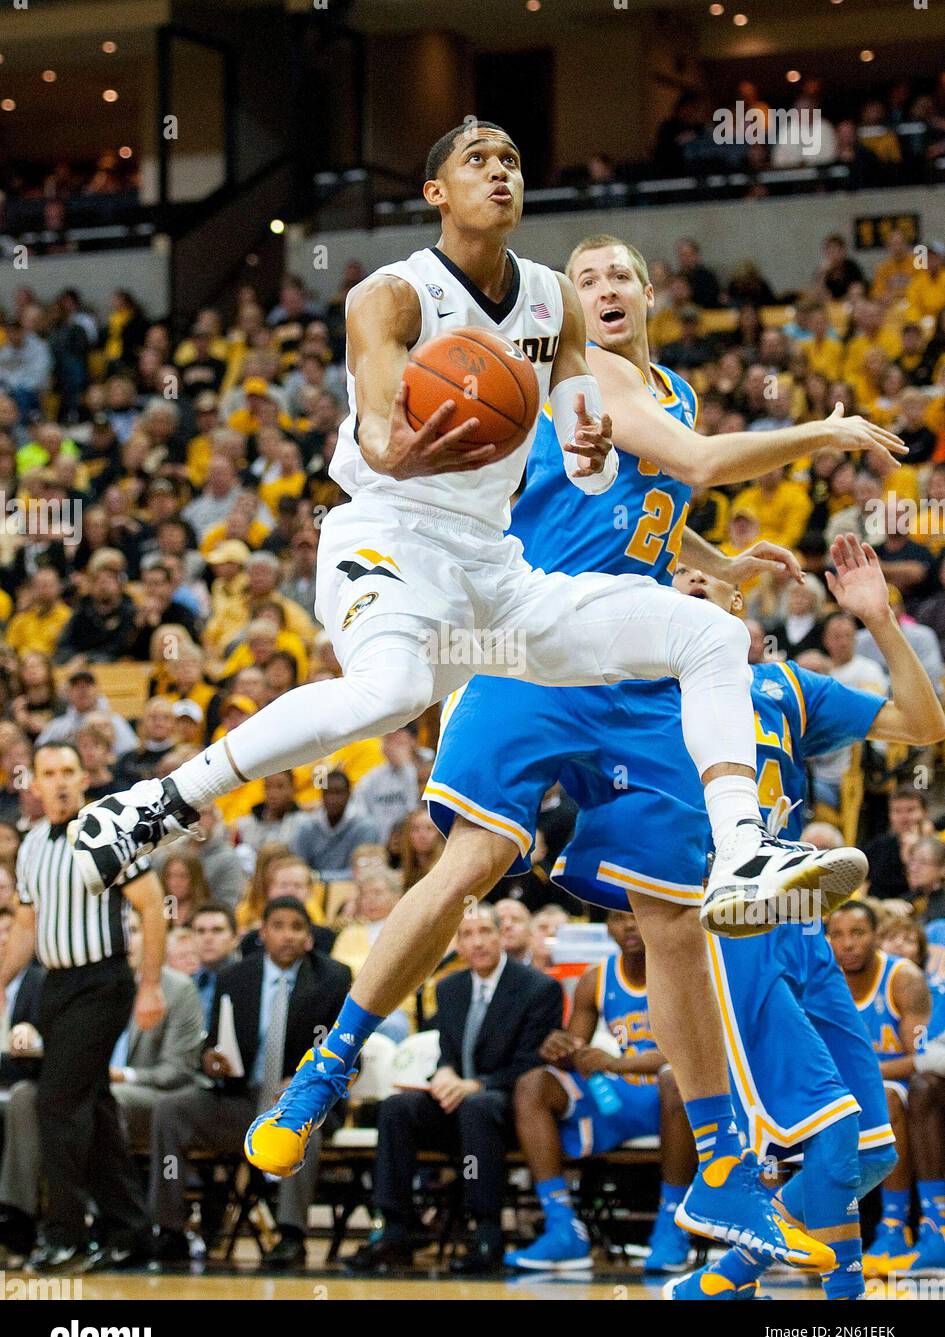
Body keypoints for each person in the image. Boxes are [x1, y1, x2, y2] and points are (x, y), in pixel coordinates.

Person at [71, 129, 893, 1202]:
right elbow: (373, 388)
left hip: (495, 571)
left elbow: (591, 441)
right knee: (395, 690)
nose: (501, 170)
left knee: (706, 635)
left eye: (512, 157)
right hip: (384, 533)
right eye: (478, 159)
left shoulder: (549, 303)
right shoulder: (392, 293)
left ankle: (742, 854)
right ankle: (163, 800)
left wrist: (603, 459)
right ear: (435, 192)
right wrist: (386, 431)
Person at [421, 235, 901, 1270]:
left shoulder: (672, 389)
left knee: (704, 961)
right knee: (493, 874)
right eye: (582, 277)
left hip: (667, 728)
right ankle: (750, 1231)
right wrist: (821, 428)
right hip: (550, 641)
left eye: (616, 276)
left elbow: (658, 507)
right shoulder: (580, 381)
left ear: (647, 294)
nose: (600, 290)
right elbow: (695, 466)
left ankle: (758, 1217)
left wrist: (721, 558)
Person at [664, 534, 942, 1298]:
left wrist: (880, 620)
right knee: (831, 1135)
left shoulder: (783, 686)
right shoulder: (641, 691)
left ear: (735, 601)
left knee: (870, 1151)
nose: (686, 583)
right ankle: (809, 1302)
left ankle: (736, 1269)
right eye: (672, 578)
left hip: (800, 912)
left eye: (699, 575)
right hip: (726, 921)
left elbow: (924, 727)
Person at [0, 744, 166, 1273]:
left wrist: (150, 986)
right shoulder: (29, 846)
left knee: (55, 1104)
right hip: (56, 986)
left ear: (83, 778)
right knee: (91, 1110)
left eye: (69, 772)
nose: (60, 782)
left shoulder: (105, 831)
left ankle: (65, 1232)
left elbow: (153, 908)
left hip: (103, 982)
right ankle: (129, 1228)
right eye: (49, 774)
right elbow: (26, 926)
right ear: (35, 784)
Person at [347, 905, 562, 1273]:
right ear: (457, 944)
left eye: (484, 932)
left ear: (501, 935)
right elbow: (447, 1052)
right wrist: (445, 1075)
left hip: (513, 1110)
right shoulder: (449, 988)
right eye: (466, 935)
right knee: (398, 1108)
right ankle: (393, 1232)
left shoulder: (539, 988)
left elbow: (533, 1065)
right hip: (462, 1103)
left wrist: (474, 1084)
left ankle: (486, 1233)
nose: (476, 942)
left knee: (478, 1105)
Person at [148, 896, 350, 1270]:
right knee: (170, 1110)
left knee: (300, 1123)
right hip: (241, 1098)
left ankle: (291, 1236)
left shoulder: (333, 979)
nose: (287, 936)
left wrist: (305, 1082)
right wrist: (212, 1061)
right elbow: (213, 1044)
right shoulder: (235, 978)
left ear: (309, 937)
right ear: (263, 934)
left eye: (297, 928)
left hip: (305, 1102)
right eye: (279, 926)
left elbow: (351, 1054)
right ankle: (170, 1229)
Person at [507, 909, 695, 1273]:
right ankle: (563, 1227)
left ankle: (673, 1225)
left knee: (676, 1078)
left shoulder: (683, 970)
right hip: (620, 1100)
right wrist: (559, 1048)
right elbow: (578, 1052)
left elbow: (692, 1054)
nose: (629, 924)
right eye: (617, 917)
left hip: (676, 1102)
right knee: (532, 1084)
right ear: (606, 927)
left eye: (638, 914)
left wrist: (617, 1064)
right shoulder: (595, 979)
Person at [829, 900, 935, 1271]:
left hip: (895, 1086)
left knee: (886, 1097)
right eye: (838, 935)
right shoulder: (820, 981)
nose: (848, 944)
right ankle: (805, 1230)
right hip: (837, 1092)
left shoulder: (901, 978)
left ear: (877, 936)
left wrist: (864, 1075)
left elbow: (920, 1060)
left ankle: (894, 1226)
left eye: (857, 933)